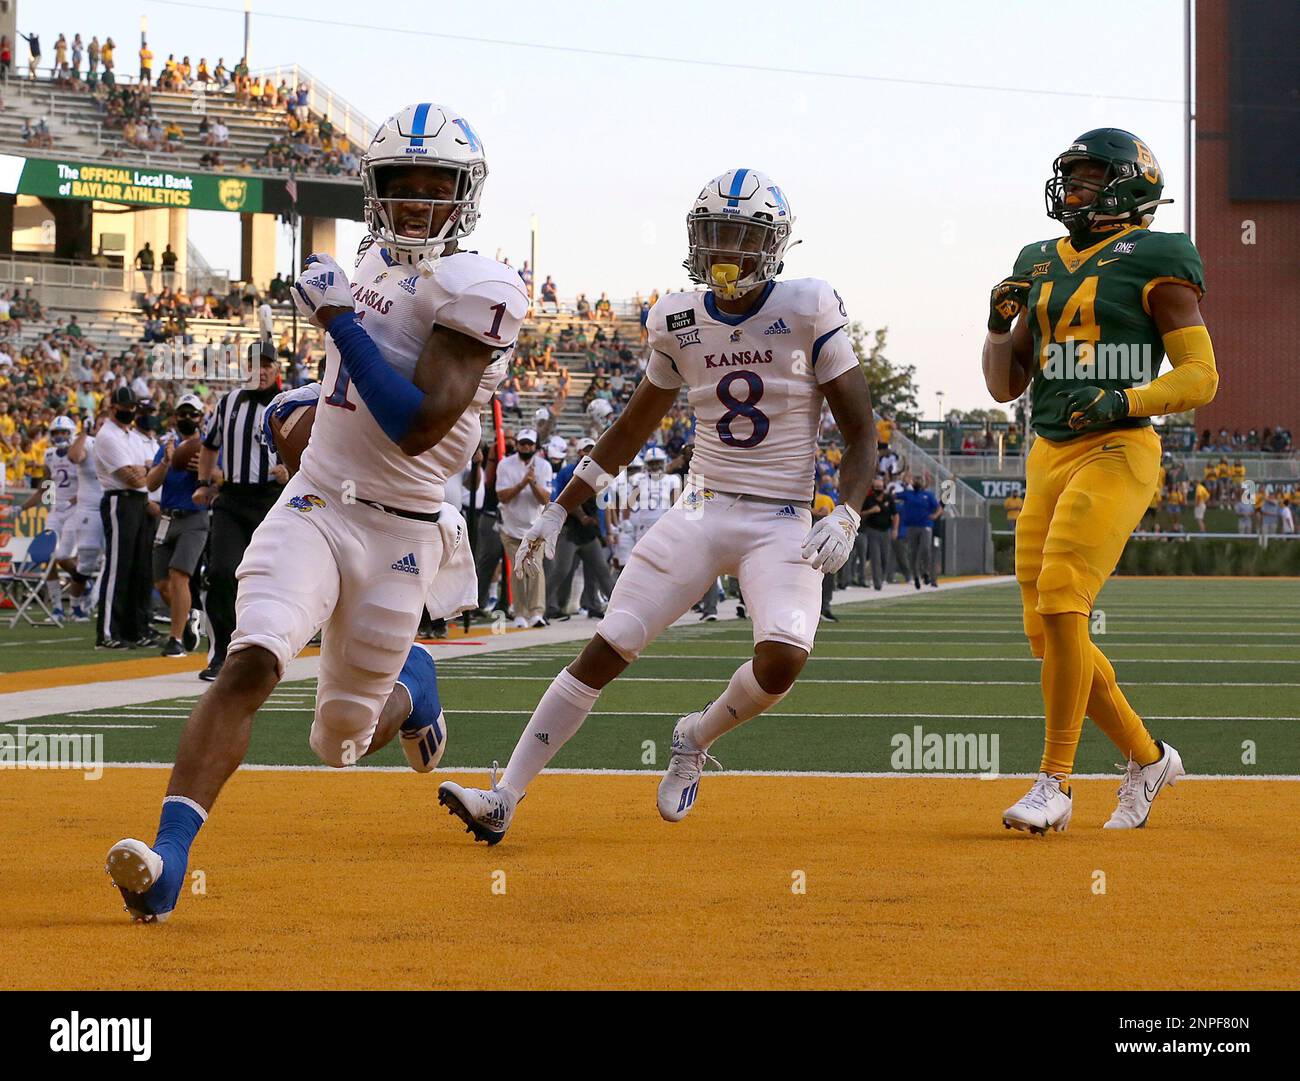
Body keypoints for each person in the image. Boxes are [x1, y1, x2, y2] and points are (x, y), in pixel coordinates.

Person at [105, 102, 527, 923]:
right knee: (251, 660)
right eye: (399, 183)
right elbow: (351, 389)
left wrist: (335, 315)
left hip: (402, 526)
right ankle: (165, 864)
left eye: (432, 184)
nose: (414, 201)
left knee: (337, 739)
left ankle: (417, 692)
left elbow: (416, 425)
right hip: (316, 506)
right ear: (375, 190)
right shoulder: (367, 259)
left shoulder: (480, 283)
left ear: (463, 192)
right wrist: (297, 412)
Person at [439, 167, 876, 843]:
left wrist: (845, 510)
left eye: (742, 234)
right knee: (609, 644)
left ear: (774, 244)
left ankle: (694, 735)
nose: (727, 248)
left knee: (783, 658)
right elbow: (632, 429)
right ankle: (504, 795)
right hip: (700, 506)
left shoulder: (809, 306)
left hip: (782, 516)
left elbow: (861, 430)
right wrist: (560, 507)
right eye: (716, 233)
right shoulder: (677, 317)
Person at [983, 128, 1218, 834]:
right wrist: (997, 329)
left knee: (1063, 597)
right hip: (1047, 451)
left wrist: (1125, 398)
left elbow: (1201, 376)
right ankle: (1147, 758)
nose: (1074, 189)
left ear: (1127, 185)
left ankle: (1053, 782)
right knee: (1047, 633)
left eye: (1089, 177)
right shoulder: (1037, 260)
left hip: (1117, 445)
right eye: (1071, 177)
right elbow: (1003, 386)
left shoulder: (1159, 253)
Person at [193, 342, 287, 681]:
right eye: (253, 365)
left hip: (271, 500)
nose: (259, 371)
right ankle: (221, 654)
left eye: (266, 365)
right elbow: (209, 446)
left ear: (277, 370)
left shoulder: (288, 402)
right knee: (221, 573)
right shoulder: (228, 402)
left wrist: (292, 467)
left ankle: (272, 649)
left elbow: (312, 446)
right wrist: (204, 482)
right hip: (232, 498)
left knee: (271, 579)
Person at [93, 386, 157, 647]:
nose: (130, 412)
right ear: (113, 408)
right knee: (119, 566)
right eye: (126, 407)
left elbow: (145, 471)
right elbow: (129, 477)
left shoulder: (130, 435)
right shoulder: (108, 435)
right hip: (121, 500)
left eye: (132, 408)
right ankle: (108, 631)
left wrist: (144, 471)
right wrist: (146, 470)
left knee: (139, 568)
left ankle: (134, 628)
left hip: (140, 501)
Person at [146, 395, 208, 658]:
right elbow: (150, 485)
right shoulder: (167, 446)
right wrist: (166, 462)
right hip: (167, 518)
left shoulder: (208, 445)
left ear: (200, 417)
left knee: (179, 575)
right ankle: (190, 615)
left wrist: (204, 471)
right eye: (182, 413)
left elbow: (222, 479)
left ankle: (175, 639)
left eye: (191, 414)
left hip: (195, 517)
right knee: (161, 583)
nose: (186, 418)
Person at [495, 427, 553, 627]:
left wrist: (532, 482)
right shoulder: (505, 464)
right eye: (522, 443)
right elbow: (502, 496)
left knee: (535, 568)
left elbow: (545, 499)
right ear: (517, 445)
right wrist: (522, 483)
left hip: (535, 528)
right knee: (518, 568)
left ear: (535, 446)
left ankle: (536, 612)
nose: (526, 447)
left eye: (529, 444)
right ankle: (520, 612)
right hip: (511, 528)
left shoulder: (544, 466)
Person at [897, 475, 941, 588]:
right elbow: (893, 495)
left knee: (925, 549)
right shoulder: (908, 494)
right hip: (911, 526)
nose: (917, 483)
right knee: (912, 553)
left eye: (918, 481)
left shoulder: (928, 495)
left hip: (925, 525)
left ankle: (925, 572)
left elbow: (938, 507)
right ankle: (915, 575)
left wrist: (935, 516)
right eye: (915, 481)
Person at [859, 476, 897, 590]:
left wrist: (895, 529)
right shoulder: (868, 499)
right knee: (875, 557)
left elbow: (895, 515)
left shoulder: (889, 498)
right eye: (876, 487)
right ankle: (877, 582)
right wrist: (871, 511)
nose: (878, 488)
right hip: (872, 530)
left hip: (886, 530)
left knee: (885, 557)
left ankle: (882, 577)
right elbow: (860, 513)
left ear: (883, 487)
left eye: (880, 487)